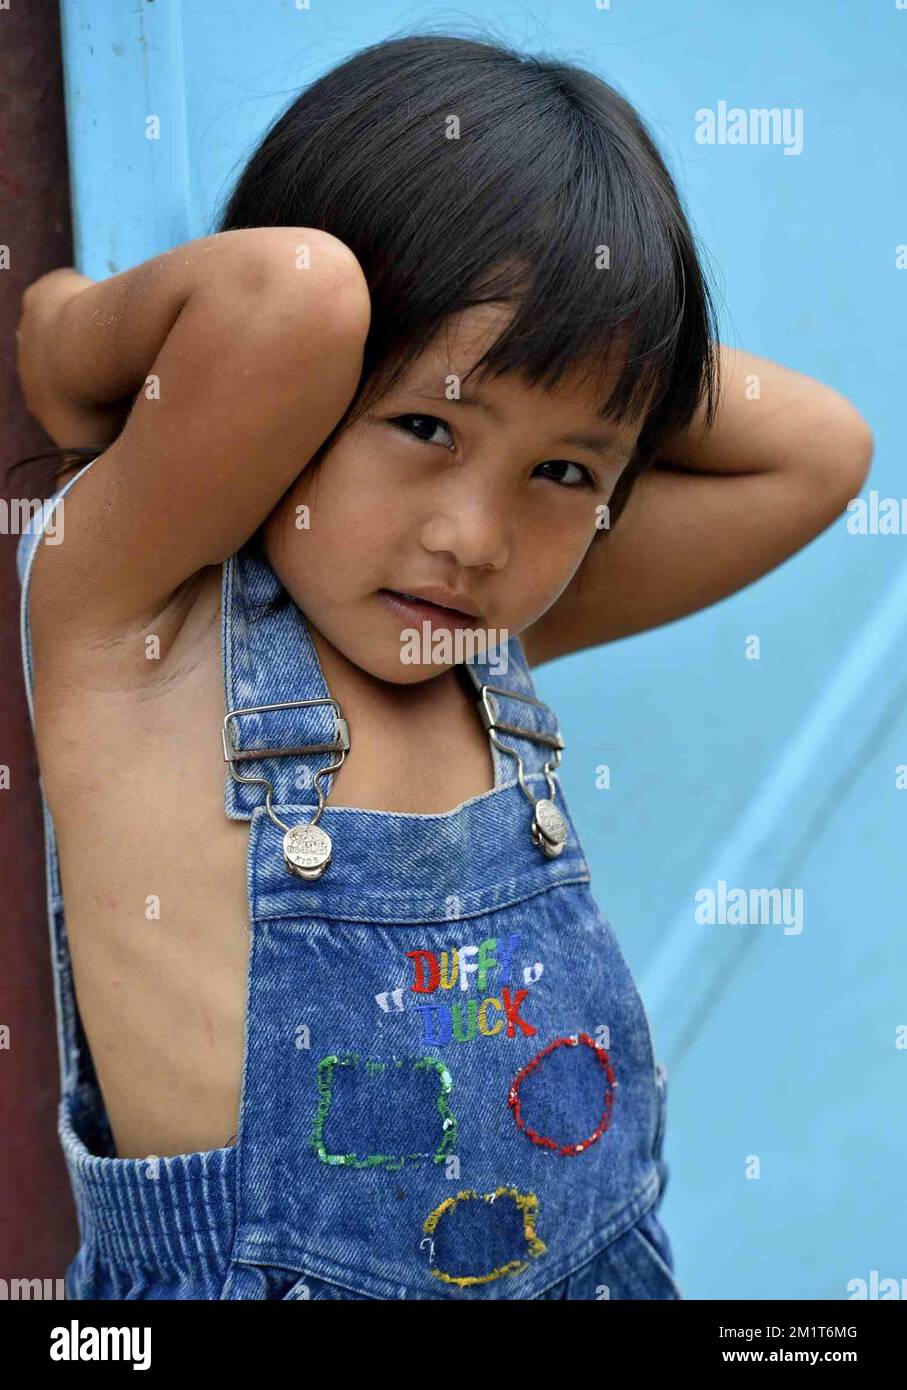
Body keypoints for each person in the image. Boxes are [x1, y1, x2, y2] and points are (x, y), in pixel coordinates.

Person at [11, 33, 872, 1300]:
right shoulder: (136, 623)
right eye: (425, 424)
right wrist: (72, 345)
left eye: (564, 472)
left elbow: (823, 448)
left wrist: (600, 352)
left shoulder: (483, 640)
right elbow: (290, 292)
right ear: (305, 391)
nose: (474, 538)